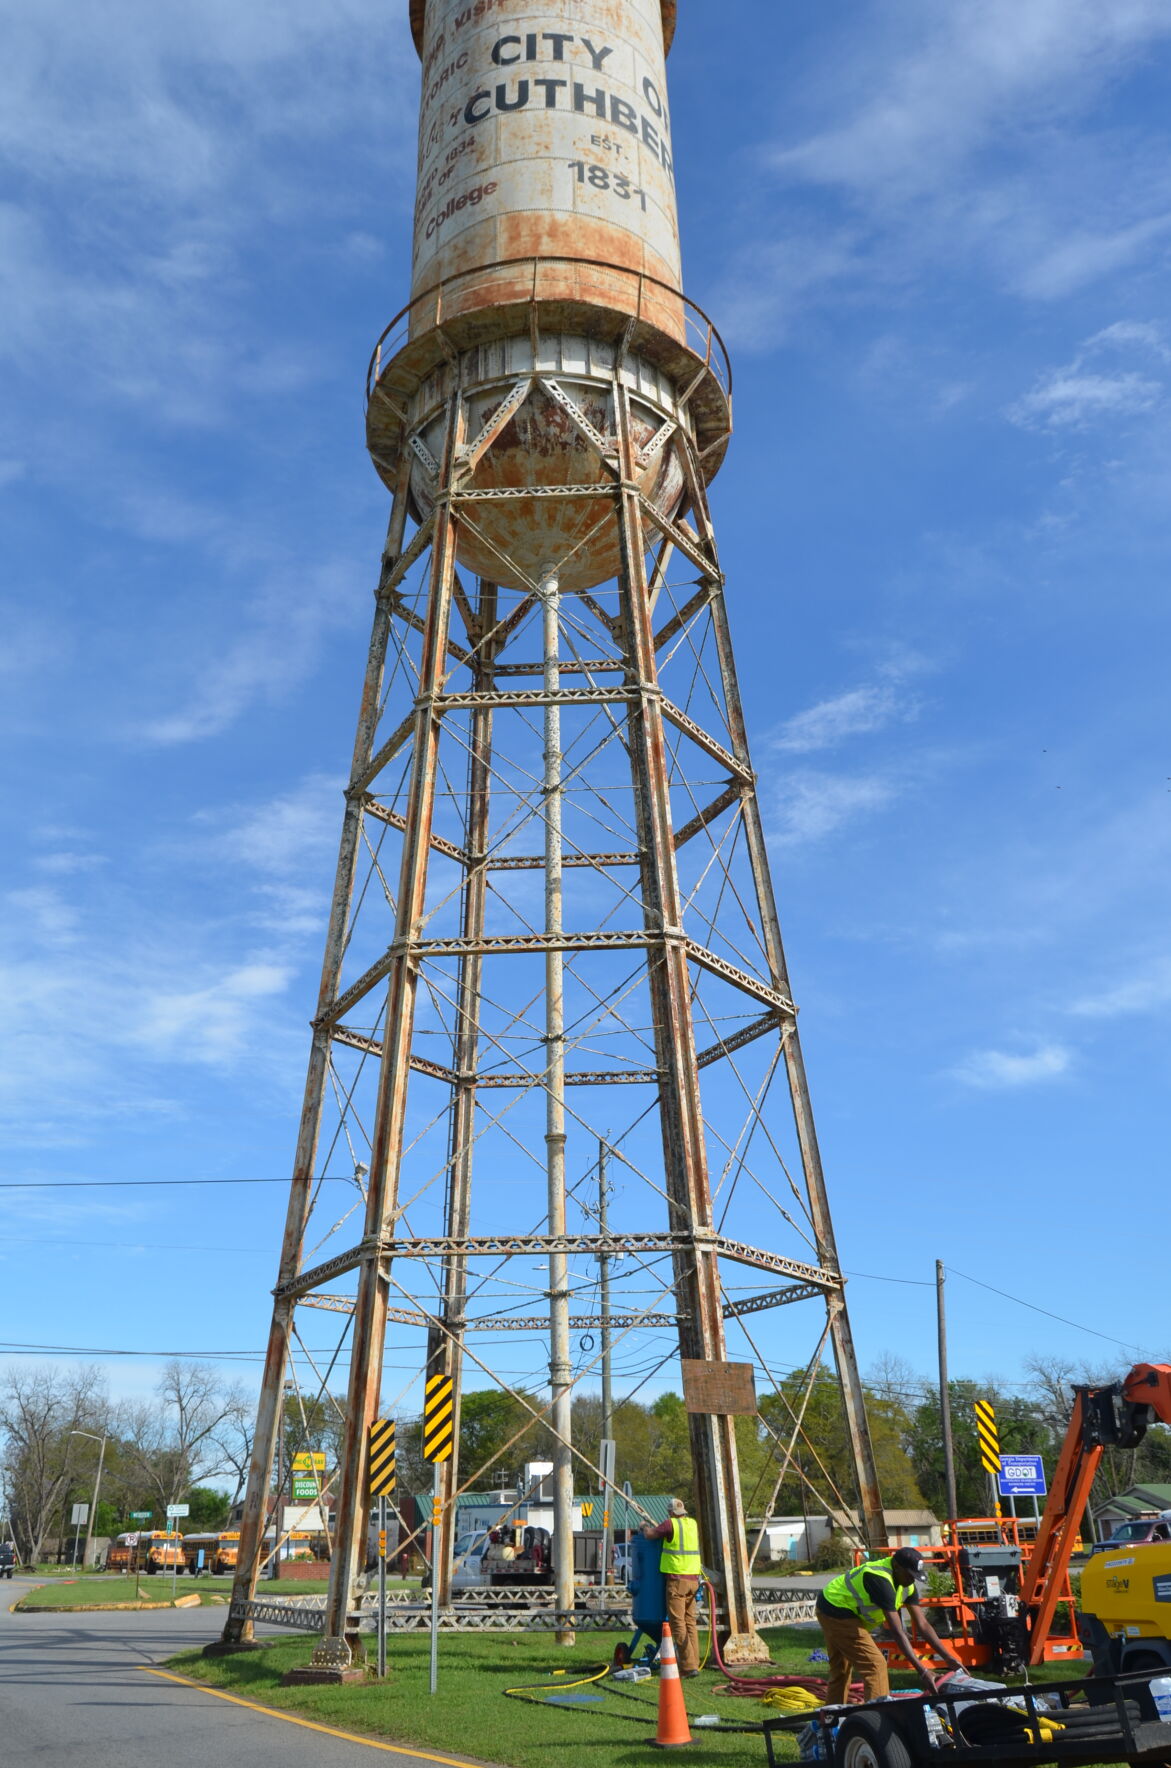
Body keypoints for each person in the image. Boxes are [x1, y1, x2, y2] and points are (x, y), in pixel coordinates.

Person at [817, 1546, 965, 1703]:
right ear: (896, 1566)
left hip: (842, 1610)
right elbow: (898, 1632)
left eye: (915, 1576)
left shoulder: (906, 1584)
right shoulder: (879, 1579)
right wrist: (922, 1671)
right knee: (875, 1665)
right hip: (836, 1610)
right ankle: (877, 1720)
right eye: (909, 1574)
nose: (911, 1580)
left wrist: (949, 1658)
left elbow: (923, 1624)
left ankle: (831, 1720)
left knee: (840, 1668)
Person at [641, 1497, 702, 1676]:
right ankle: (695, 1662)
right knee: (690, 1622)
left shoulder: (670, 1524)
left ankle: (688, 1666)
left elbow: (649, 1535)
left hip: (677, 1580)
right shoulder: (692, 1524)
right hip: (693, 1580)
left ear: (670, 1513)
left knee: (678, 1624)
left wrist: (644, 1526)